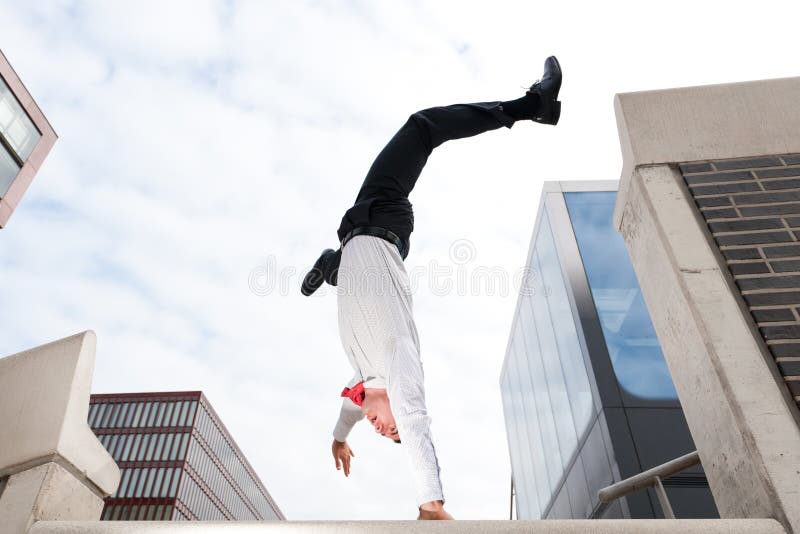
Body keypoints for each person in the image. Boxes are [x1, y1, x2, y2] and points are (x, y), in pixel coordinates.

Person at [301, 56, 562, 520]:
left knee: (346, 272)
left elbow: (349, 412)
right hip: (382, 219)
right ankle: (532, 105)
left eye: (384, 435)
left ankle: (334, 265)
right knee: (423, 128)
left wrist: (340, 439)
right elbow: (416, 425)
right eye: (392, 430)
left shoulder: (360, 384)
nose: (387, 432)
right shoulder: (399, 367)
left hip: (357, 239)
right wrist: (431, 501)